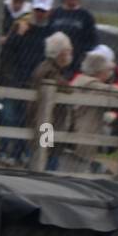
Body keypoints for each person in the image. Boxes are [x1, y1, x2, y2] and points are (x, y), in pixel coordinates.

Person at [0, 0, 52, 165]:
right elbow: (7, 50)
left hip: (42, 84)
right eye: (37, 10)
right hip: (18, 79)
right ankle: (5, 151)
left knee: (41, 122)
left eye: (43, 11)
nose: (40, 13)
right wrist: (18, 34)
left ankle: (41, 156)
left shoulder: (51, 33)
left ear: (49, 12)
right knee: (10, 117)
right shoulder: (22, 27)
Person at [64, 50, 118, 173]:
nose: (110, 73)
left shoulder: (81, 80)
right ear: (99, 71)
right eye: (107, 70)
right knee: (74, 176)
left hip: (73, 135)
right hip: (80, 138)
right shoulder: (91, 84)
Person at [27, 31, 74, 171]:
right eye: (68, 51)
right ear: (60, 53)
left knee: (45, 156)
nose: (70, 54)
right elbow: (67, 89)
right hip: (47, 123)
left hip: (47, 122)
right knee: (46, 160)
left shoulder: (49, 68)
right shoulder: (49, 71)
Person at [47, 0, 97, 72]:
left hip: (76, 66)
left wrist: (79, 55)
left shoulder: (86, 16)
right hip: (53, 65)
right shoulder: (54, 14)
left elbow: (93, 42)